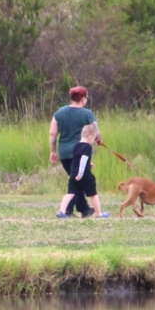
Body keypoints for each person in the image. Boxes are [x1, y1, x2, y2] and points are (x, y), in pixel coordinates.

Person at [49, 86, 102, 218]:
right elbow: (96, 132)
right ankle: (68, 210)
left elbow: (53, 134)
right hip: (81, 151)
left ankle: (84, 209)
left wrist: (53, 151)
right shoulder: (87, 113)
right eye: (86, 97)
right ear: (83, 98)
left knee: (76, 179)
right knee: (79, 180)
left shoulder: (59, 113)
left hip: (65, 153)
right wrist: (99, 140)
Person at [56, 125, 110, 219]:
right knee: (93, 194)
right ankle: (99, 214)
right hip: (84, 175)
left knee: (70, 193)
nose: (93, 141)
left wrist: (88, 164)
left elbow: (77, 159)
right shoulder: (88, 147)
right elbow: (83, 160)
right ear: (90, 137)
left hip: (73, 173)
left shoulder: (76, 145)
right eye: (93, 139)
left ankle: (61, 211)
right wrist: (80, 174)